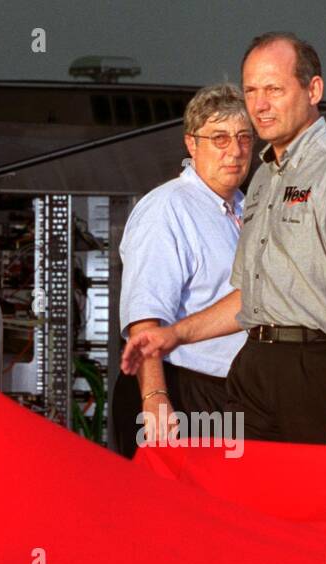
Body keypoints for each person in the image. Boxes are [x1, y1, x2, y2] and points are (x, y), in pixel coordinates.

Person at [122, 31, 326, 447]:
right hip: (257, 370)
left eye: (274, 89)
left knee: (318, 505)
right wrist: (176, 335)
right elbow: (252, 296)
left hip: (321, 366)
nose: (260, 105)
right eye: (251, 91)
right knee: (241, 504)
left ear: (313, 89)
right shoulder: (264, 178)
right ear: (190, 144)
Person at [111, 84, 252, 457]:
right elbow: (146, 317)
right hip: (176, 390)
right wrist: (156, 399)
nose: (234, 152)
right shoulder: (167, 209)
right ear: (192, 143)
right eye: (219, 138)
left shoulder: (245, 208)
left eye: (244, 138)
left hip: (226, 394)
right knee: (163, 511)